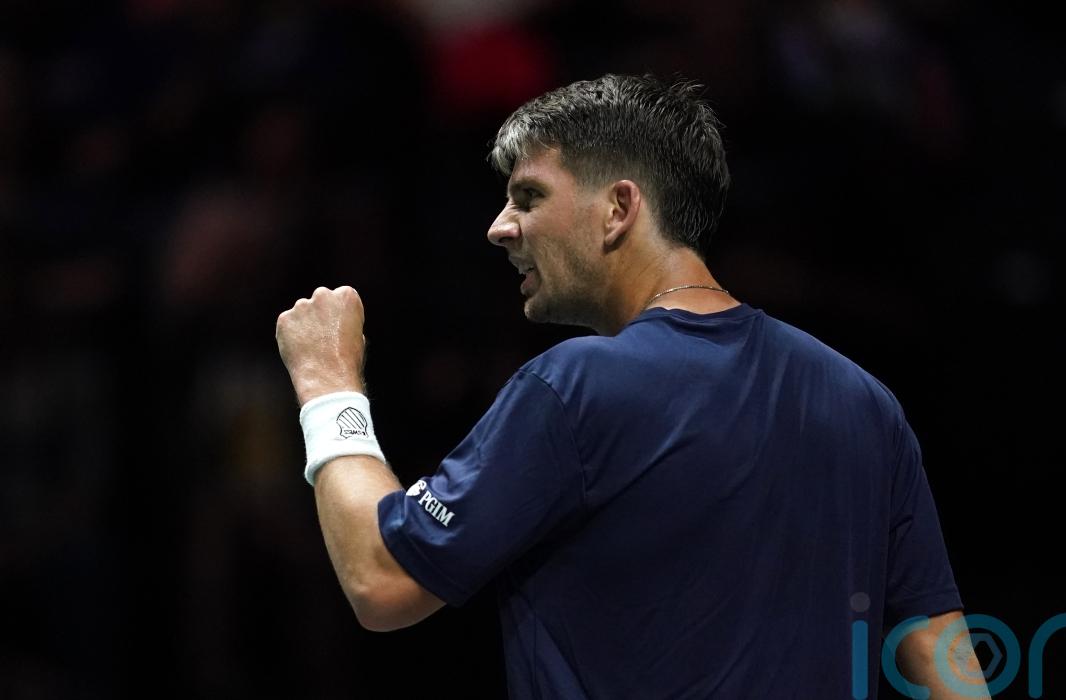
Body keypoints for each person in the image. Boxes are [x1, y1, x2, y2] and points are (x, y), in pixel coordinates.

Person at [275, 74, 987, 699]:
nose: (499, 228)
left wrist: (327, 382)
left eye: (528, 196)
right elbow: (946, 663)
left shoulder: (577, 384)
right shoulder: (864, 399)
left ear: (619, 208)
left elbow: (382, 580)